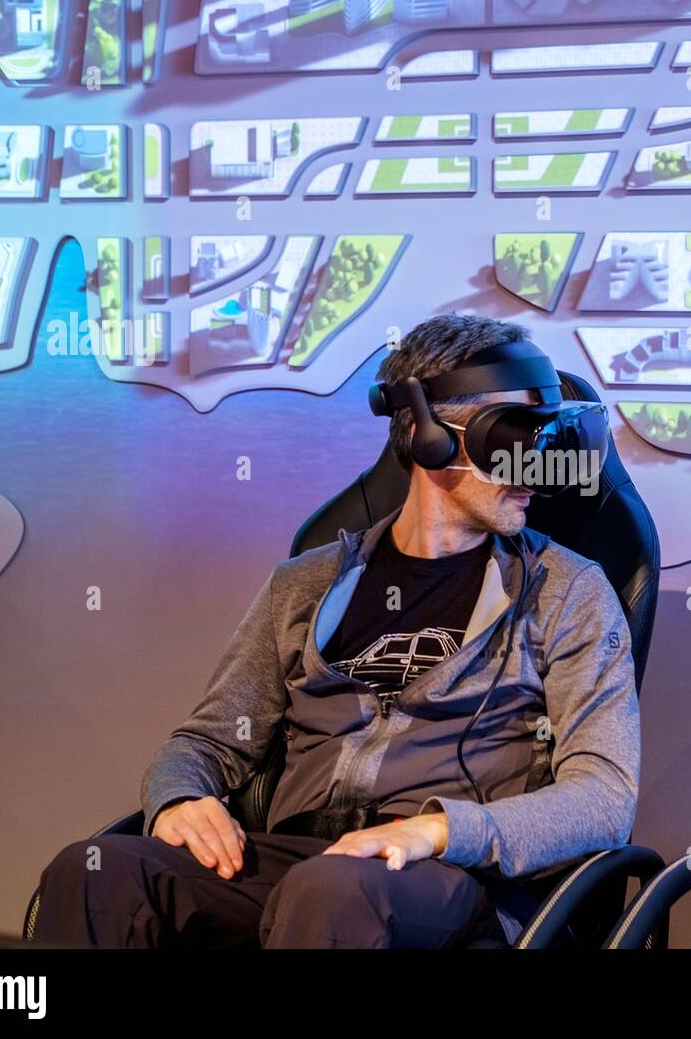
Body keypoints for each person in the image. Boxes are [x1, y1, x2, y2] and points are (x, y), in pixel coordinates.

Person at [31, 313, 641, 948]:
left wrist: (435, 831)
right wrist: (181, 797)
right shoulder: (306, 586)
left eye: (545, 442)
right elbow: (206, 742)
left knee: (332, 890)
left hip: (450, 882)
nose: (532, 466)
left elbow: (603, 799)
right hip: (299, 863)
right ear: (430, 434)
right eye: (512, 437)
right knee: (92, 872)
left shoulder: (568, 591)